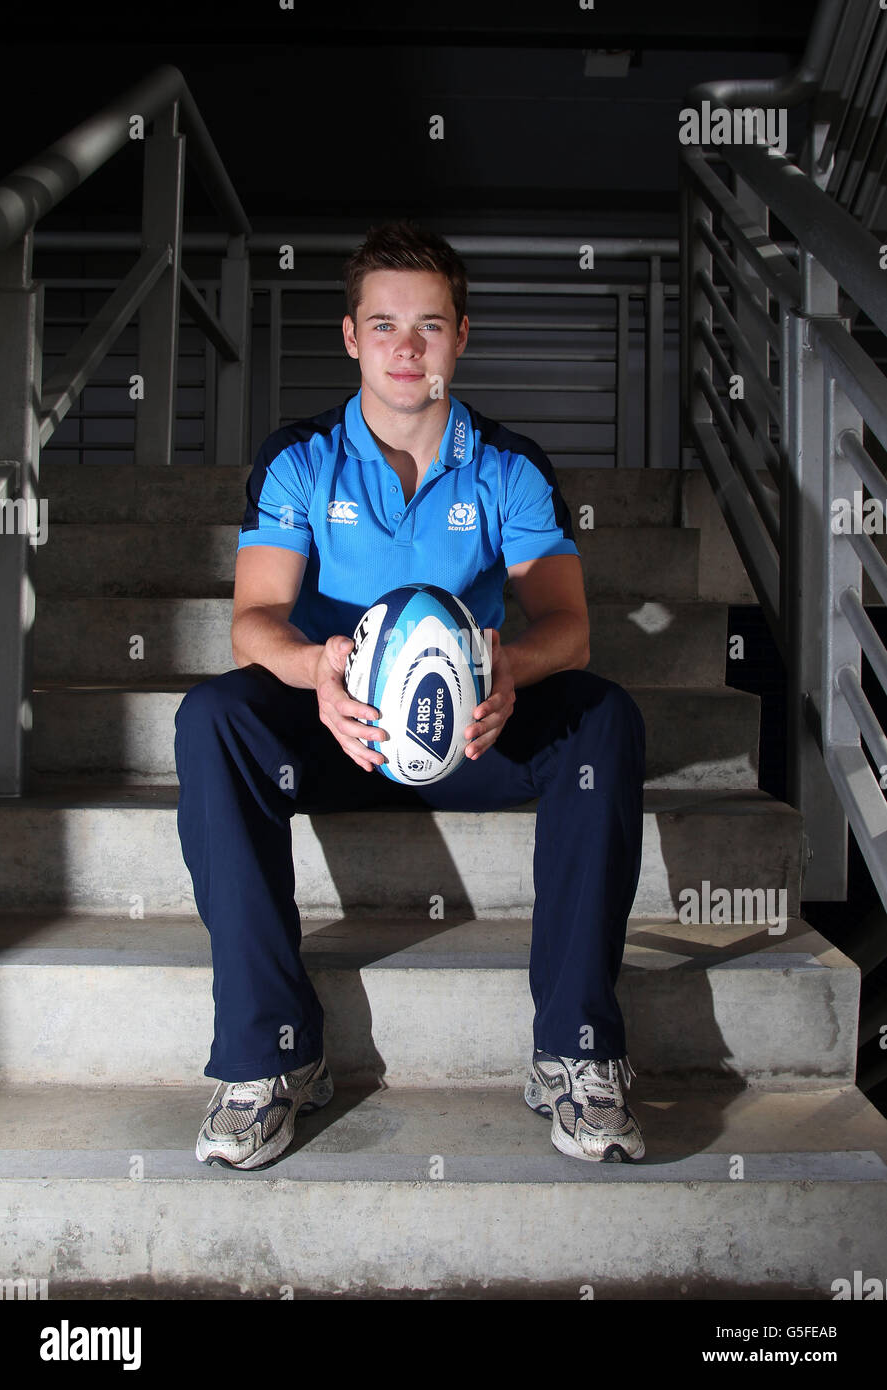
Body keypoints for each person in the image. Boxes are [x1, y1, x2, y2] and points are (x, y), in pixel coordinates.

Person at [174, 219, 647, 1170]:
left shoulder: (509, 466)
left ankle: (575, 1054)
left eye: (428, 326)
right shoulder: (300, 458)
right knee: (213, 715)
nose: (404, 347)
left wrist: (512, 667)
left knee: (604, 714)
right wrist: (319, 672)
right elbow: (255, 619)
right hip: (337, 734)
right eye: (383, 324)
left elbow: (568, 627)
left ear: (460, 337)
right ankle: (270, 1058)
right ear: (350, 336)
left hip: (472, 737)